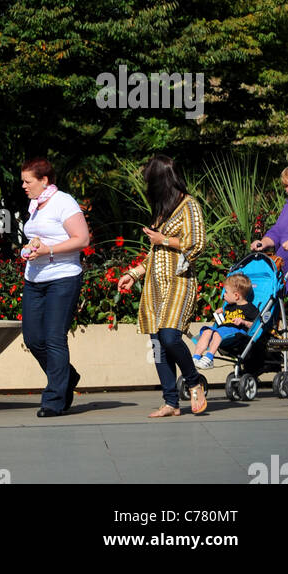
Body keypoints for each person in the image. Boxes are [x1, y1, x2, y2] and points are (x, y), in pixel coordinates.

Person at [118, 154, 208, 417]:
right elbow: (153, 253)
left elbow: (197, 243)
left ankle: (194, 382)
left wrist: (164, 239)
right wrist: (134, 274)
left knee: (169, 336)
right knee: (157, 344)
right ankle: (171, 402)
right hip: (155, 288)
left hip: (179, 282)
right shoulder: (163, 210)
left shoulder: (189, 205)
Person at [20, 156, 91, 417]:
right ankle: (67, 376)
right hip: (34, 279)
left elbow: (82, 239)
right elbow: (38, 237)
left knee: (53, 338)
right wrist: (30, 248)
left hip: (62, 278)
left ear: (44, 180)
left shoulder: (64, 202)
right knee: (32, 338)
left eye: (28, 181)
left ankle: (54, 400)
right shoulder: (35, 205)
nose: (24, 186)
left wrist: (48, 249)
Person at [192, 273, 258, 368]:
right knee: (207, 331)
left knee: (218, 333)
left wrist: (244, 322)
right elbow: (221, 323)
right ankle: (196, 358)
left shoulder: (250, 308)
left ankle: (209, 358)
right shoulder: (228, 306)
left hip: (237, 334)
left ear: (236, 296)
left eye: (226, 292)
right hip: (224, 330)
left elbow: (256, 325)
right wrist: (218, 315)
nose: (223, 295)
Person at [251, 166, 288, 283]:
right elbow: (277, 231)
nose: (286, 190)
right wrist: (263, 243)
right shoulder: (287, 207)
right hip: (282, 274)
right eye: (285, 186)